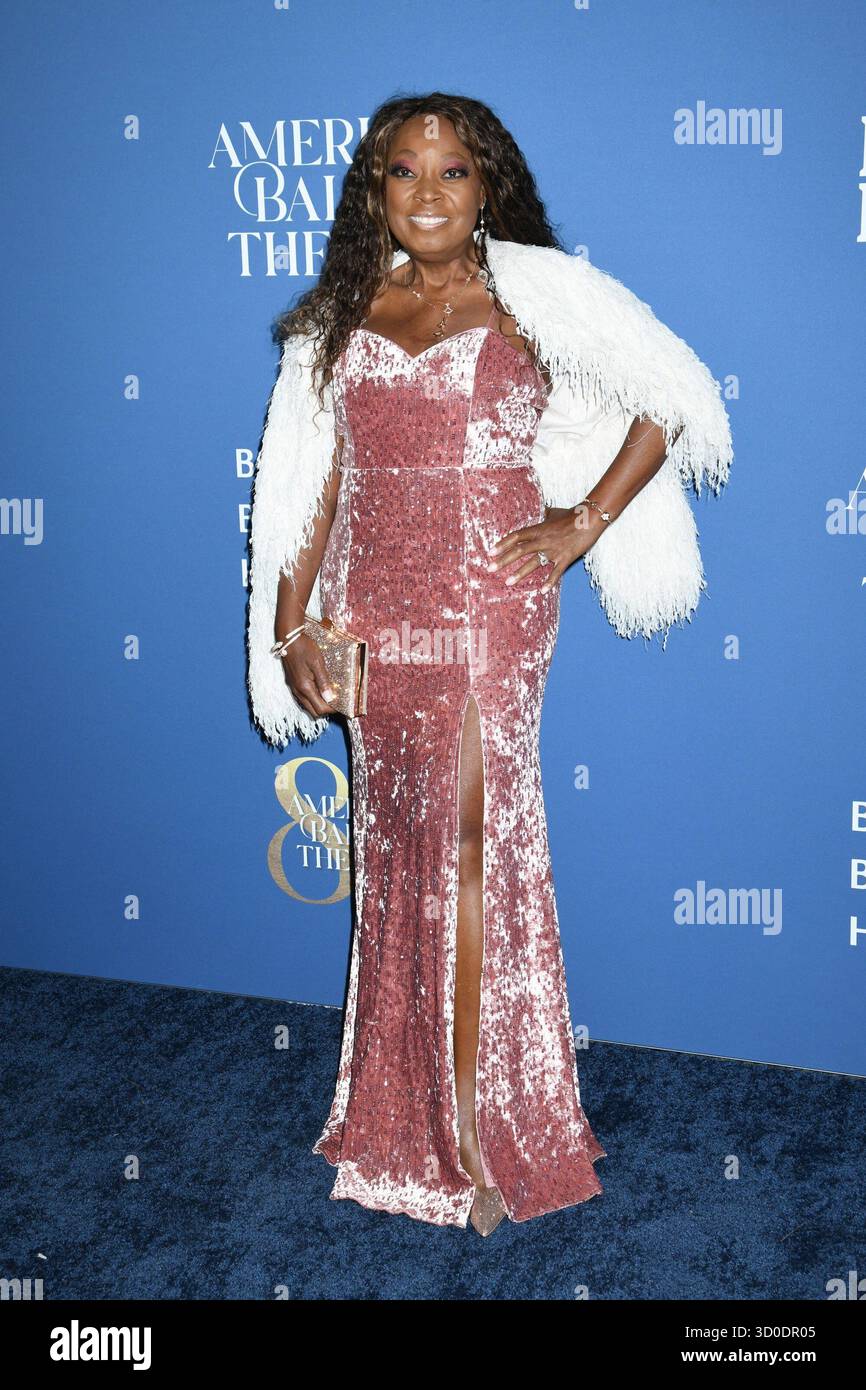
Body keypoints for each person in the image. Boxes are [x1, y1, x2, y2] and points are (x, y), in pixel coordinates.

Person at [246, 92, 733, 1236]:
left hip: (485, 609)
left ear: (486, 186)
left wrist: (580, 523)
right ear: (374, 190)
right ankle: (392, 1116)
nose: (426, 191)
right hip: (371, 612)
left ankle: (477, 1138)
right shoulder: (339, 313)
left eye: (451, 170)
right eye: (402, 170)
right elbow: (313, 479)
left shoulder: (534, 294)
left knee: (471, 847)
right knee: (395, 854)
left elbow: (672, 395)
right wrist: (292, 624)